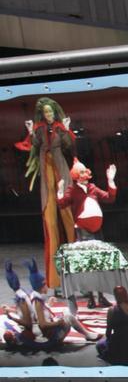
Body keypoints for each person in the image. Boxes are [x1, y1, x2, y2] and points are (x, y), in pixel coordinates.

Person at [15, 97, 77, 289]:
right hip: (47, 171)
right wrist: (30, 130)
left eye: (50, 112)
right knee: (50, 220)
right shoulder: (40, 129)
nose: (48, 115)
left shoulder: (59, 127)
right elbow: (34, 144)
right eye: (46, 112)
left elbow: (68, 144)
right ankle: (55, 278)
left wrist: (66, 128)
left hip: (61, 170)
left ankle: (76, 273)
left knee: (67, 215)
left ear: (54, 112)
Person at [56, 159, 119, 308]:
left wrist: (110, 180)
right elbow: (62, 204)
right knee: (88, 264)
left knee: (100, 263)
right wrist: (60, 191)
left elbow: (110, 198)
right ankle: (91, 297)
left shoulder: (93, 188)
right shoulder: (73, 190)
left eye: (85, 171)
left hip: (97, 230)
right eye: (81, 171)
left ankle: (101, 296)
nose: (85, 173)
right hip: (83, 230)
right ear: (76, 175)